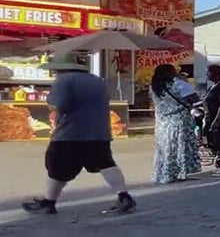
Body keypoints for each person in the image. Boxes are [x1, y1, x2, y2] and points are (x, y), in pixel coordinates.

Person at [22, 53, 137, 215]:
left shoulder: (64, 81)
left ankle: (49, 202)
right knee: (106, 164)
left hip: (69, 133)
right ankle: (124, 196)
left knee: (56, 168)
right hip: (99, 132)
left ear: (61, 69)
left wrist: (51, 102)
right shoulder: (98, 81)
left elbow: (58, 105)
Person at [150, 64, 202, 184]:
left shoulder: (154, 87)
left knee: (165, 148)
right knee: (178, 147)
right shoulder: (178, 84)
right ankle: (178, 172)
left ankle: (163, 173)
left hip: (162, 123)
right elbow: (195, 98)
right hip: (179, 121)